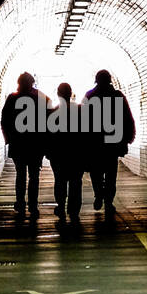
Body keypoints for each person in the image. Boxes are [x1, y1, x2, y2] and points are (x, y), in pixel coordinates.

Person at [85, 69, 136, 217]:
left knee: (95, 172)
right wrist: (129, 136)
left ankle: (99, 195)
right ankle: (108, 201)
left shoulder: (90, 95)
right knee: (111, 173)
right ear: (110, 80)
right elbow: (127, 117)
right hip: (113, 143)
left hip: (95, 142)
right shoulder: (118, 96)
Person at [0, 72, 50, 218]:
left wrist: (8, 139)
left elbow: (5, 121)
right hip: (36, 145)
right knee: (34, 176)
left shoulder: (12, 98)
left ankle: (20, 203)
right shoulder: (41, 97)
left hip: (18, 144)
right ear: (32, 83)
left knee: (20, 174)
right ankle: (33, 206)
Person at [46, 83, 87, 224]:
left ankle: (61, 207)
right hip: (78, 152)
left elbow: (48, 134)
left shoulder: (52, 112)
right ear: (71, 94)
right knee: (76, 181)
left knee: (60, 180)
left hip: (59, 153)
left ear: (58, 94)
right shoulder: (81, 111)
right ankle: (74, 210)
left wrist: (48, 151)